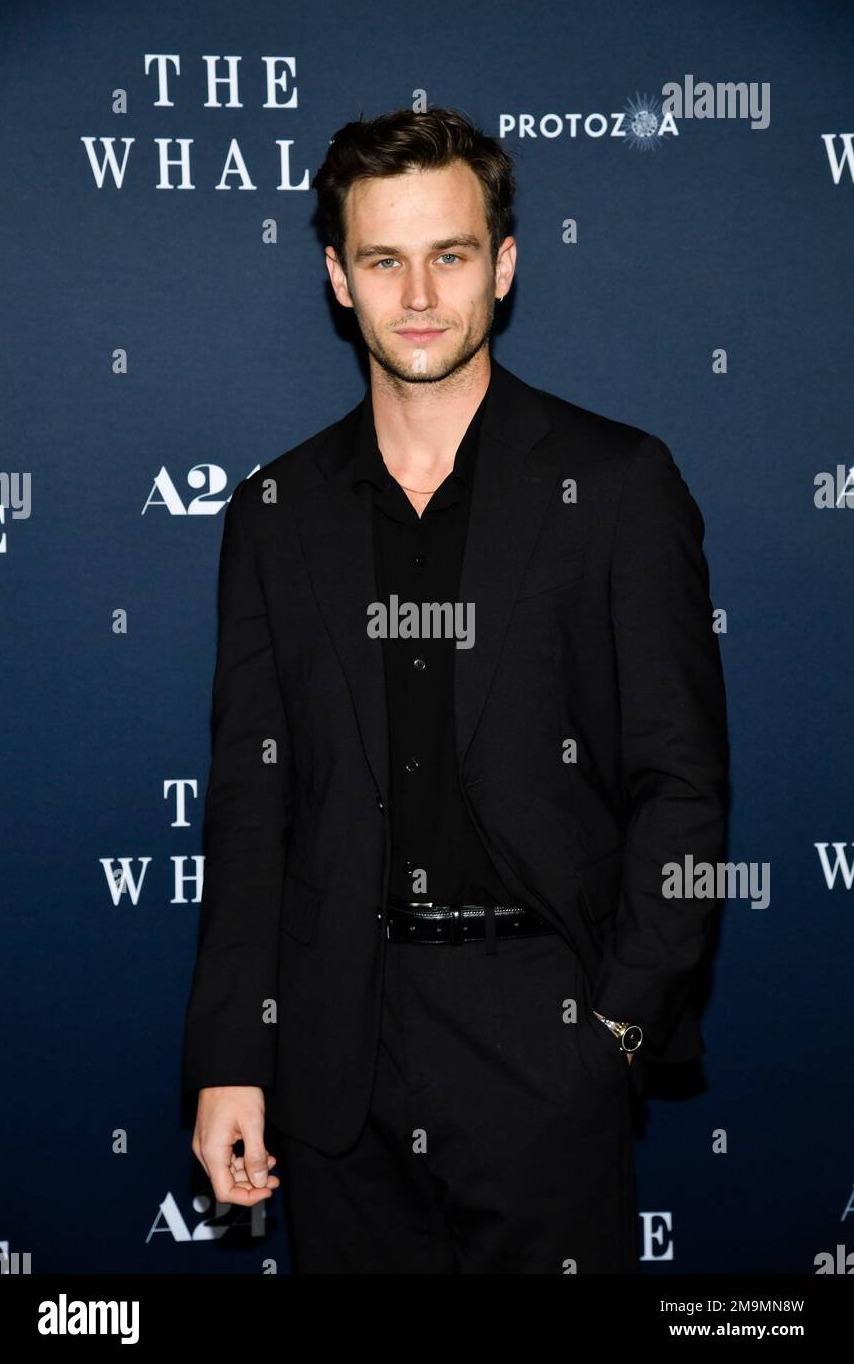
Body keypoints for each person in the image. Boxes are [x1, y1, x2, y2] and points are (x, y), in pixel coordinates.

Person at [182, 105, 729, 1274]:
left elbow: (680, 788)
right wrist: (232, 1057)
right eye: (384, 259)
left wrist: (613, 1031)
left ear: (506, 264)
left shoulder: (617, 484)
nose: (418, 292)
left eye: (451, 253)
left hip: (544, 1040)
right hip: (337, 1055)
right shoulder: (275, 515)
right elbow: (248, 808)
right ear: (338, 278)